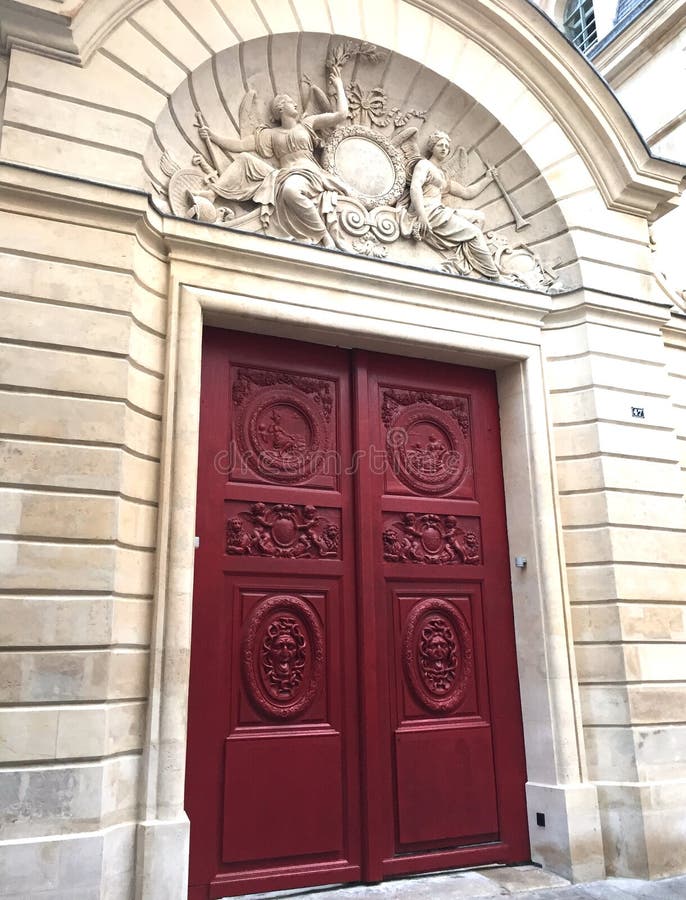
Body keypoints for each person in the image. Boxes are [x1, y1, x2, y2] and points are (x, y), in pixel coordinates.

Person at [197, 67, 350, 249]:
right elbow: (240, 146)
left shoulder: (307, 124)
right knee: (245, 159)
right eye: (290, 102)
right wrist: (213, 137)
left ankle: (323, 235)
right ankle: (212, 193)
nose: (295, 104)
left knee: (290, 190)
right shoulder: (270, 134)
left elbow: (341, 115)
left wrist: (339, 85)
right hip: (281, 175)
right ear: (280, 108)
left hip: (309, 174)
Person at [403, 130, 500, 279]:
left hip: (439, 210)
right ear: (432, 147)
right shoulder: (424, 164)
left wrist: (488, 179)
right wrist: (422, 215)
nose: (444, 148)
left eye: (447, 146)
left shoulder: (442, 174)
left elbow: (467, 193)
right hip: (428, 211)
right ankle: (494, 276)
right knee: (474, 232)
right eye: (440, 145)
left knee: (479, 217)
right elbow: (415, 187)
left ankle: (465, 258)